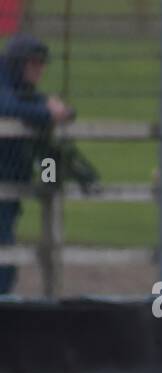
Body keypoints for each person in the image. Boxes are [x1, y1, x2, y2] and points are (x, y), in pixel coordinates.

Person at [0, 35, 72, 294]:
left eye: (41, 65)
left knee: (6, 257)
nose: (39, 71)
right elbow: (6, 106)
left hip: (9, 183)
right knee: (3, 258)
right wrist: (47, 112)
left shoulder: (20, 87)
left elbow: (31, 104)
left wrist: (55, 108)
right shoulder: (4, 81)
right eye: (33, 64)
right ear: (18, 64)